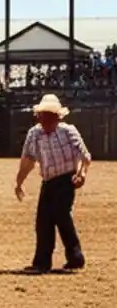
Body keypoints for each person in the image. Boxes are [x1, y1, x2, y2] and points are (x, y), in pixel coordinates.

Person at [15, 93, 91, 273]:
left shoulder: (68, 131)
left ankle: (74, 257)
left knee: (61, 214)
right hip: (48, 181)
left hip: (66, 179)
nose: (44, 119)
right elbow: (28, 160)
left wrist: (81, 174)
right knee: (43, 221)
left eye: (48, 115)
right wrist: (19, 182)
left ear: (57, 117)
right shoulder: (34, 134)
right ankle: (43, 262)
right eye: (42, 115)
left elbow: (83, 156)